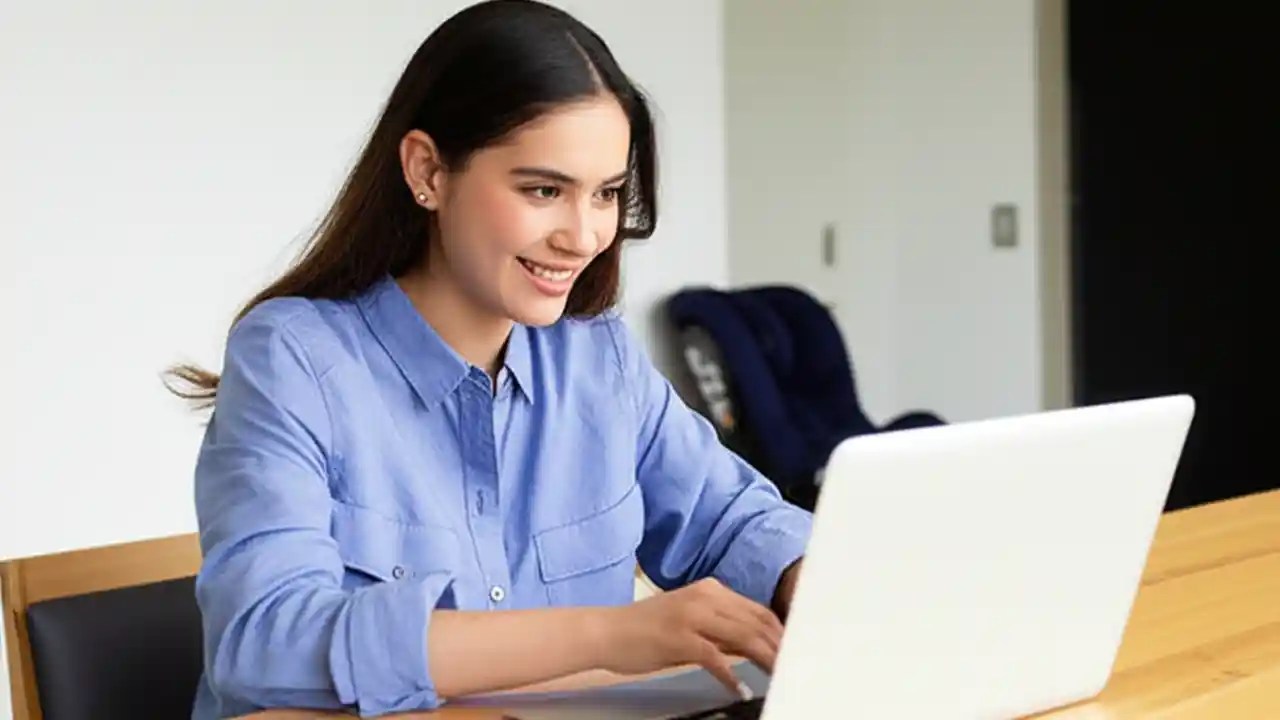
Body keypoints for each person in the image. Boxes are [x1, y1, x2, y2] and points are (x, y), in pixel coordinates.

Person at [167, 1, 813, 717]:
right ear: (428, 171)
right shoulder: (293, 358)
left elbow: (728, 520)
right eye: (543, 190)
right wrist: (606, 634)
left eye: (605, 194)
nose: (584, 235)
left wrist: (804, 574)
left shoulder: (596, 358)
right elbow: (264, 644)